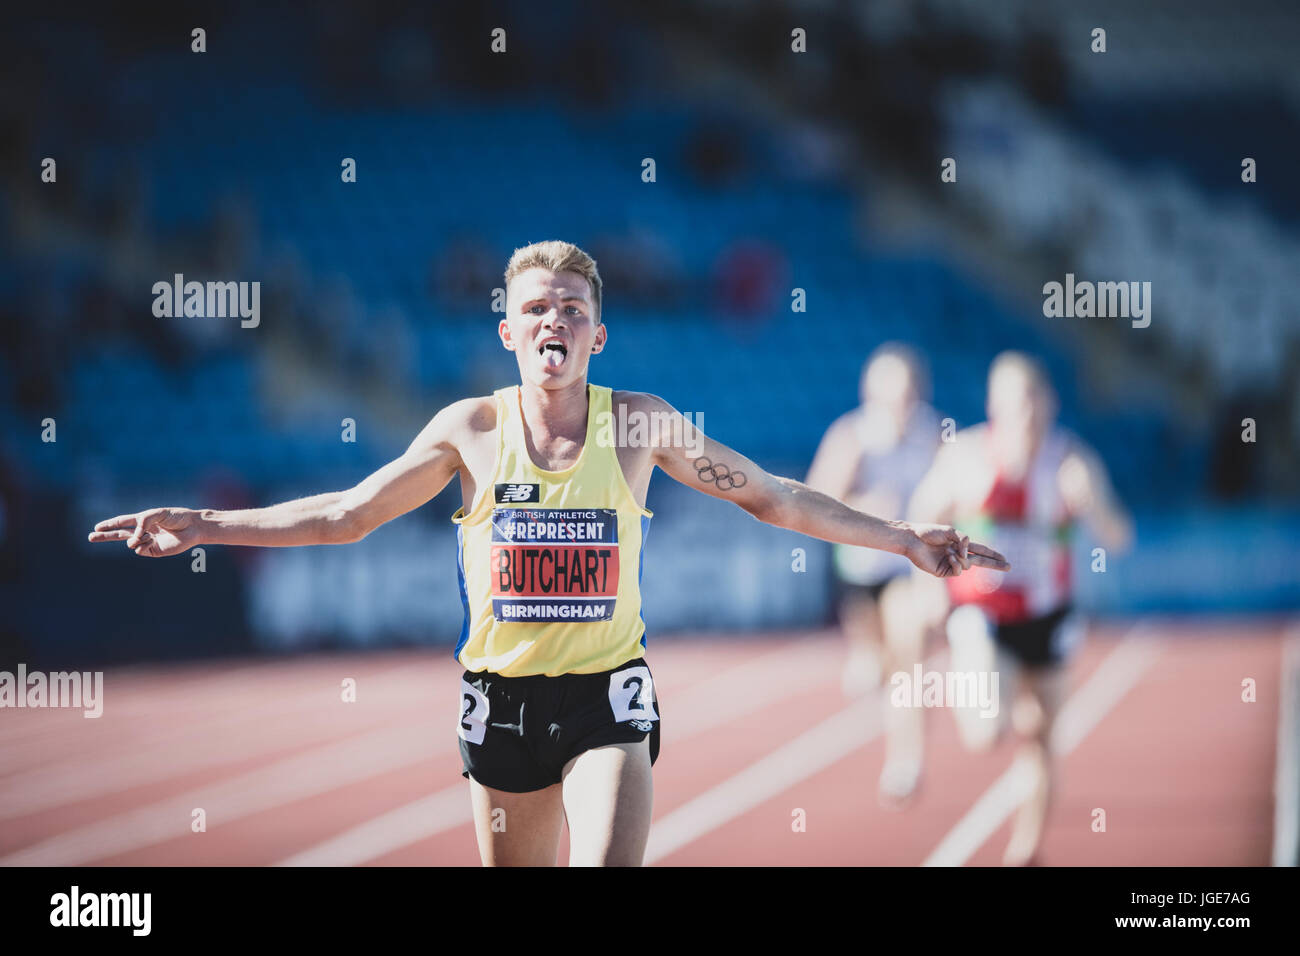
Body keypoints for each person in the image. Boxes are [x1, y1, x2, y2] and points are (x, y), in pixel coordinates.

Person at [89, 240, 1008, 867]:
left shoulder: (640, 423)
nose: (553, 319)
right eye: (536, 307)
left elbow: (770, 495)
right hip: (501, 700)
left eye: (571, 307)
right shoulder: (472, 430)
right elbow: (347, 515)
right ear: (509, 331)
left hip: (609, 695)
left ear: (597, 335)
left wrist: (902, 540)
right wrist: (208, 525)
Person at [906, 351, 1132, 864]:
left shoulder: (1072, 460)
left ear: (1049, 404)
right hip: (982, 615)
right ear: (993, 405)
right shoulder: (964, 456)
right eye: (1012, 402)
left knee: (1042, 739)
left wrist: (1093, 507)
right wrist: (926, 590)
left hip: (1049, 616)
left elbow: (1120, 537)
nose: (1024, 413)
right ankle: (968, 669)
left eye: (1032, 400)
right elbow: (920, 519)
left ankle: (1027, 849)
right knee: (987, 732)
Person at [807, 344, 941, 701]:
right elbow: (815, 498)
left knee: (909, 655)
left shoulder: (934, 434)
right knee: (872, 670)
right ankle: (872, 660)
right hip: (861, 565)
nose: (903, 406)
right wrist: (862, 505)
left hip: (909, 565)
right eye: (894, 398)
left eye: (910, 395)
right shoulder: (853, 436)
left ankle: (906, 754)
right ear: (872, 394)